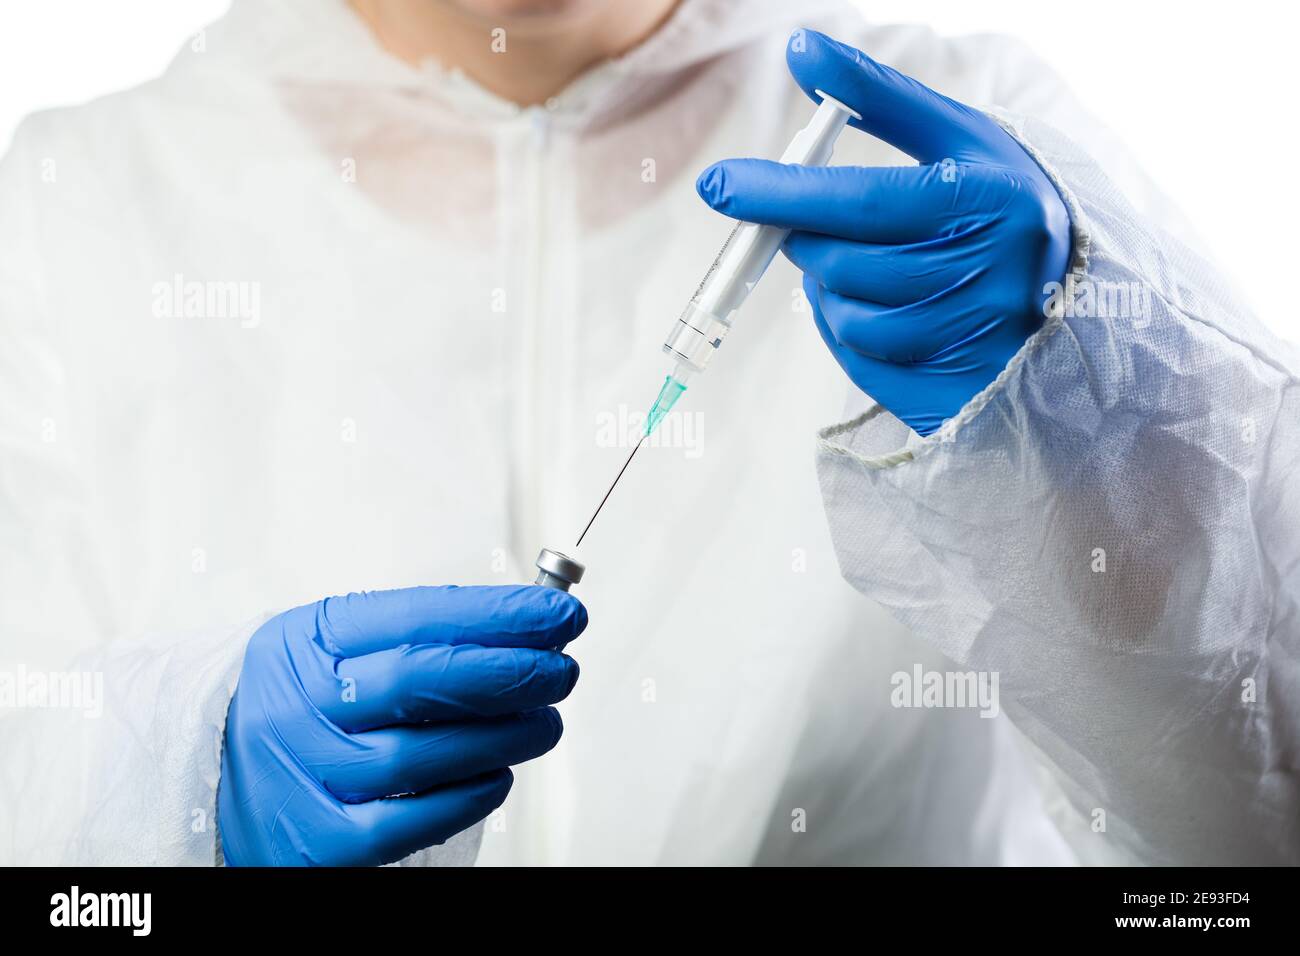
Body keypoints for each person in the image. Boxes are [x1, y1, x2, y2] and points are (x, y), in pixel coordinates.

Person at [0, 0, 1294, 865]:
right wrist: (176, 775)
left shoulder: (955, 141)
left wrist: (1088, 419)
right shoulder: (76, 204)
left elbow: (1252, 821)